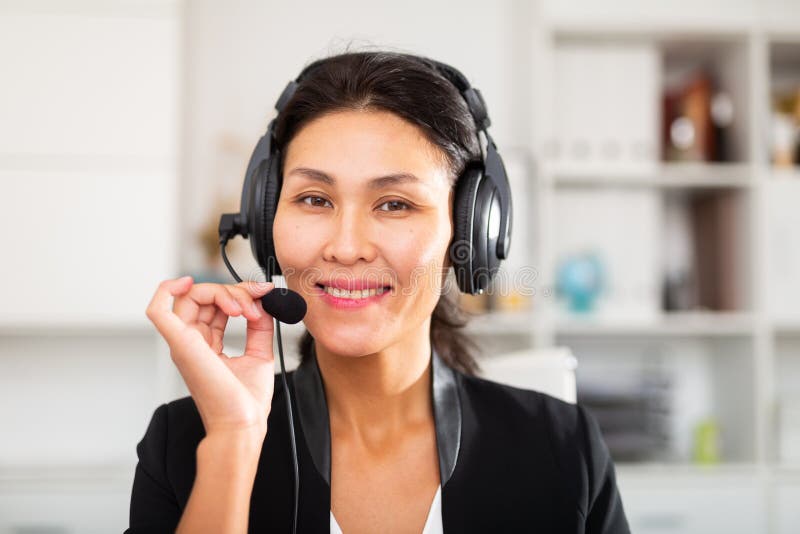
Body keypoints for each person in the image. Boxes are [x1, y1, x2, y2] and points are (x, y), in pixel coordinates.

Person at [127, 50, 630, 533]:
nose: (346, 248)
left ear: (469, 231)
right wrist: (234, 442)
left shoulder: (564, 448)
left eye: (394, 204)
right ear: (265, 221)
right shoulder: (186, 441)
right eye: (314, 198)